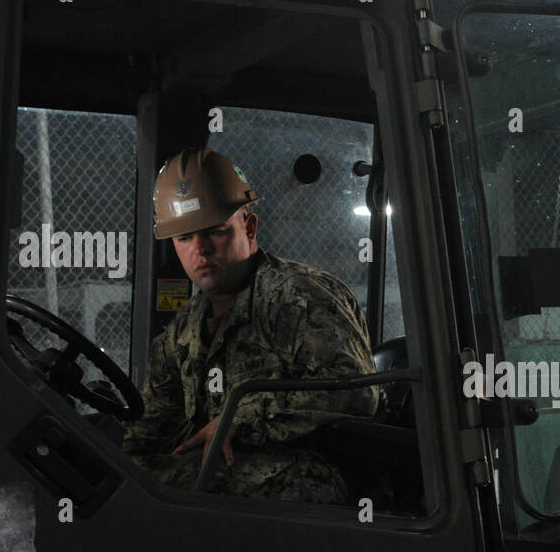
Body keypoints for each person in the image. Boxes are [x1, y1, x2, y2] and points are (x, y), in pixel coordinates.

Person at [122, 147, 378, 504]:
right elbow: (154, 421)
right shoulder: (185, 329)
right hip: (239, 473)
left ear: (250, 227)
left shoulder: (296, 297)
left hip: (317, 476)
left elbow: (356, 391)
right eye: (185, 238)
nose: (200, 250)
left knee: (154, 486)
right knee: (121, 479)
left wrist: (238, 421)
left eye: (214, 232)